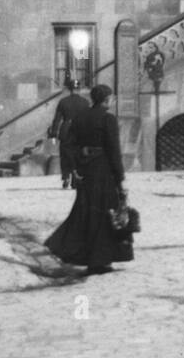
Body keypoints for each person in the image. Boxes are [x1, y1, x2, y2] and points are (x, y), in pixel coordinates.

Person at [44, 84, 133, 274]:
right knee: (105, 214)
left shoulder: (80, 117)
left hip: (86, 171)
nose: (114, 100)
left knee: (86, 212)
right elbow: (114, 150)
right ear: (106, 99)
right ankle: (100, 260)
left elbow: (69, 144)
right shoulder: (108, 119)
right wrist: (120, 176)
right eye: (112, 97)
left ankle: (73, 249)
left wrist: (76, 166)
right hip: (104, 171)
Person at [48, 76, 90, 190]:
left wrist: (53, 134)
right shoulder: (85, 102)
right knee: (78, 155)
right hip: (80, 131)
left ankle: (66, 177)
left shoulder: (63, 102)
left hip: (66, 130)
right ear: (79, 89)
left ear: (69, 89)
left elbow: (57, 119)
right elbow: (88, 119)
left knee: (65, 155)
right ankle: (76, 179)